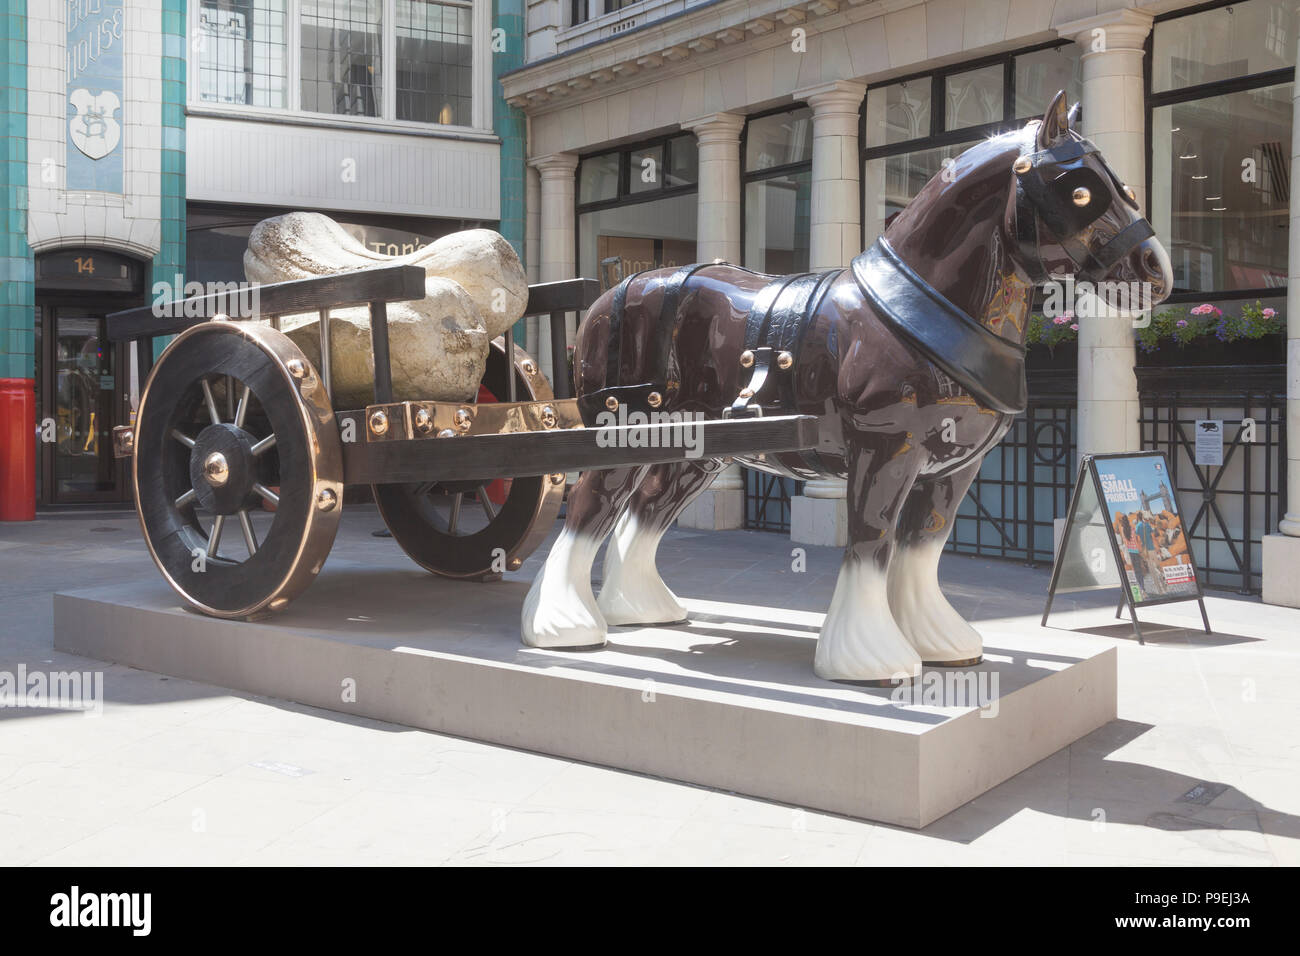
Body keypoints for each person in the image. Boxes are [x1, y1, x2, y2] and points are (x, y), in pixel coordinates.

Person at [1135, 510, 1165, 596]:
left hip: (1146, 551)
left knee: (1152, 571)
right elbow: (1153, 537)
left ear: (1137, 518)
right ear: (1143, 517)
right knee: (1159, 566)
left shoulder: (1137, 526)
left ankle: (1160, 591)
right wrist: (1158, 548)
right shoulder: (1147, 525)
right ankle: (1165, 587)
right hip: (1152, 549)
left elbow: (1138, 540)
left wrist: (1141, 551)